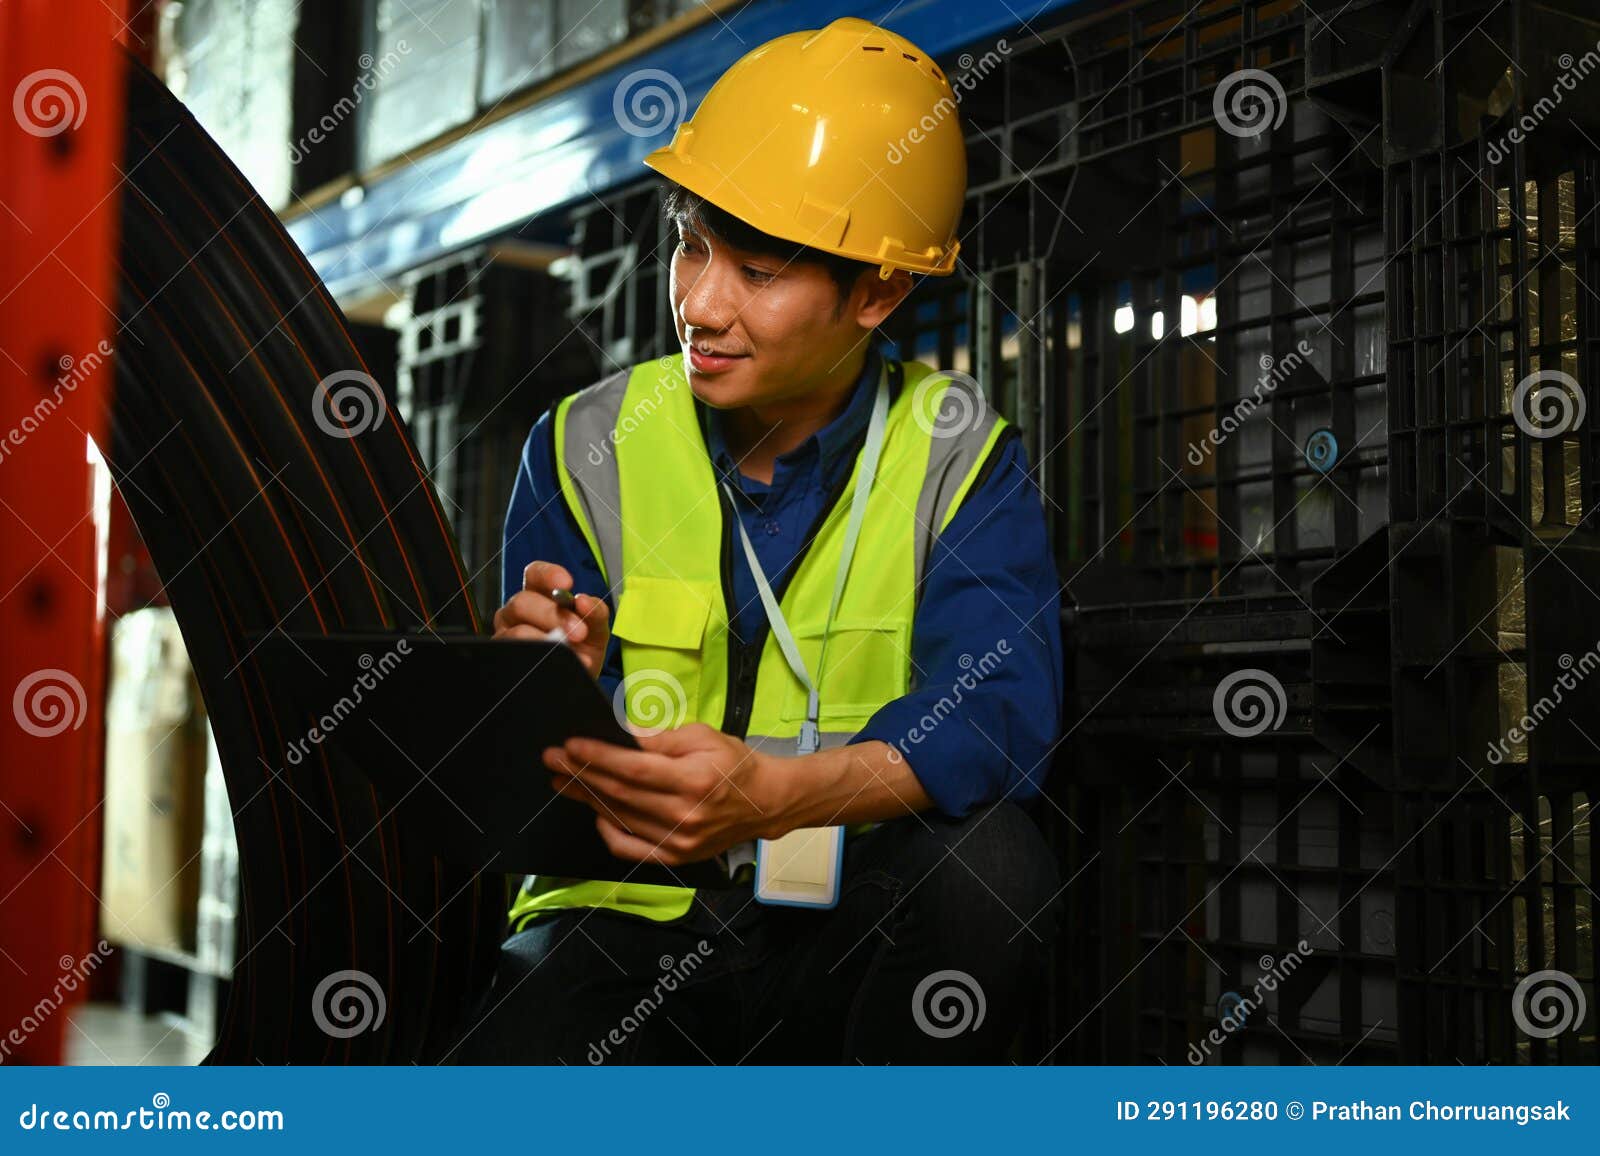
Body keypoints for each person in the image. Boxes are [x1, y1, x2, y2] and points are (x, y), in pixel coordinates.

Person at [453, 16, 1064, 1064]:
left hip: (835, 936)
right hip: (622, 921)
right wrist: (545, 690)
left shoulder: (956, 454)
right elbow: (525, 768)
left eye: (758, 270)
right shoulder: (585, 442)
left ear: (878, 289)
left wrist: (777, 796)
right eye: (690, 243)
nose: (700, 303)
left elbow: (1000, 714)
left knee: (994, 871)